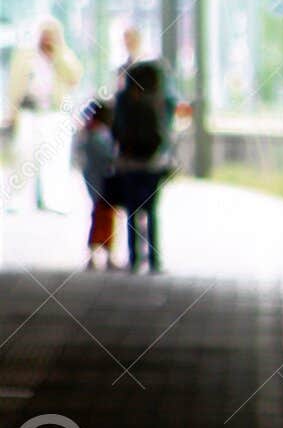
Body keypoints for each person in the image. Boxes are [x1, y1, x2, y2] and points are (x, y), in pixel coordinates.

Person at [5, 17, 84, 213]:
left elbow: (74, 77)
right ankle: (19, 200)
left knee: (55, 158)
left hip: (53, 112)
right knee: (24, 155)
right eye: (45, 35)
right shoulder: (25, 56)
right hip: (29, 111)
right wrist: (11, 110)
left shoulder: (64, 55)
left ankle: (54, 200)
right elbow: (14, 83)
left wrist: (57, 55)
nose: (47, 39)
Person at [111, 61, 177, 274]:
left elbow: (116, 129)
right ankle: (154, 258)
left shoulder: (123, 100)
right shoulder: (158, 101)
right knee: (152, 211)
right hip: (151, 163)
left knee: (132, 211)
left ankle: (134, 258)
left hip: (128, 162)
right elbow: (164, 131)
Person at [74, 100, 118, 270]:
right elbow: (108, 158)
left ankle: (98, 254)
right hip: (103, 183)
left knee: (99, 219)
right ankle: (103, 254)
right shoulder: (100, 135)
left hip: (94, 182)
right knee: (105, 220)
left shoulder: (88, 134)